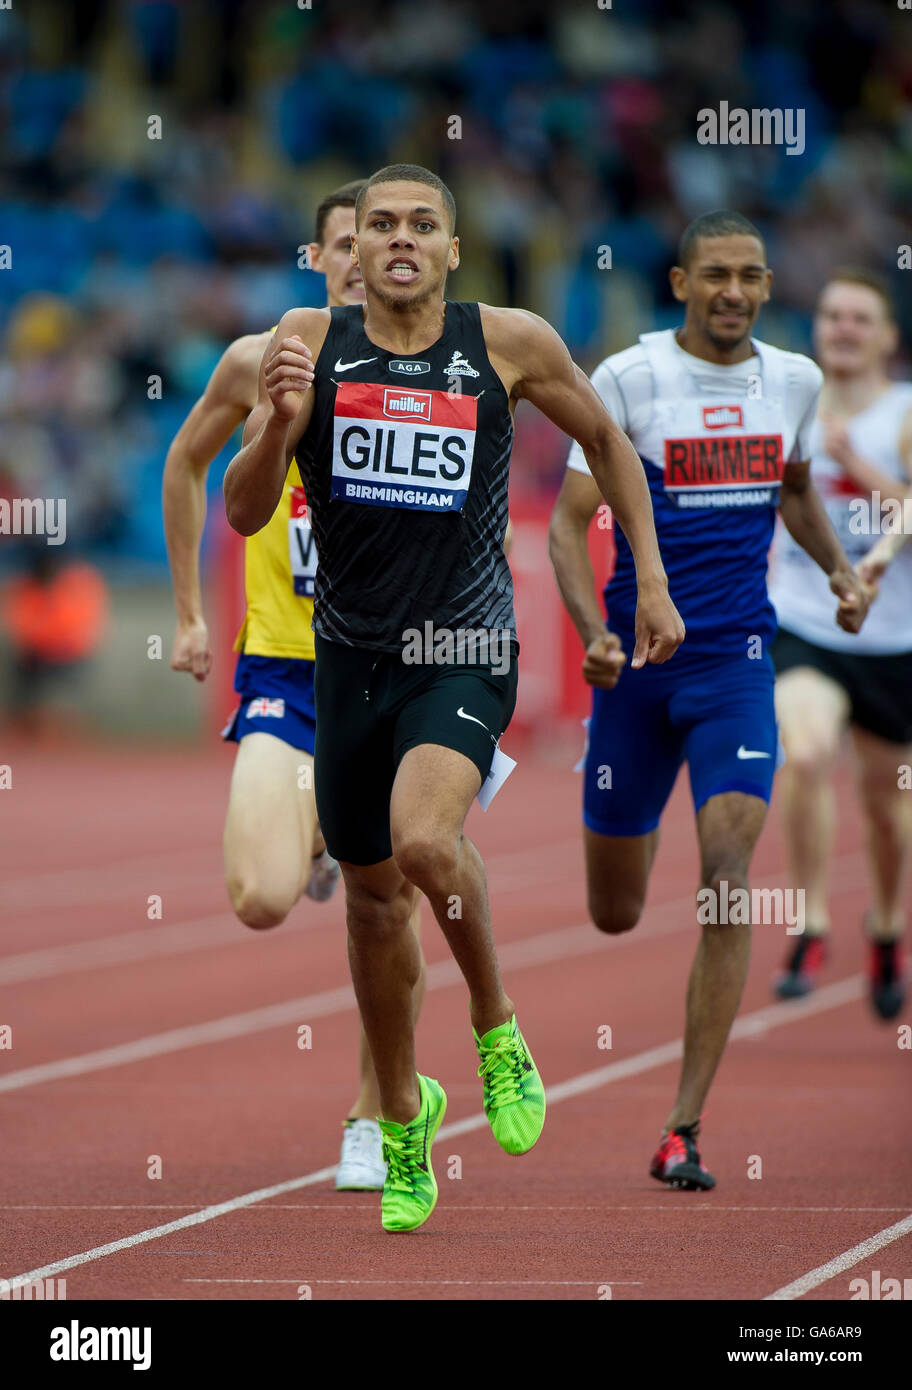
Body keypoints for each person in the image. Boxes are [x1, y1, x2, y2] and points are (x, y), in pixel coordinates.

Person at [224, 163, 683, 1231]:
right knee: (375, 907)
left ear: (452, 248)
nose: (397, 239)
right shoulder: (306, 340)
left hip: (465, 645)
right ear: (352, 249)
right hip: (350, 659)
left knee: (425, 844)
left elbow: (609, 441)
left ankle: (493, 1021)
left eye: (421, 224)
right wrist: (274, 423)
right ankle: (402, 1119)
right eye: (379, 223)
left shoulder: (507, 343)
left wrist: (646, 578)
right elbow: (247, 513)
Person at [548, 211, 869, 1191]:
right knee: (614, 908)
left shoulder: (795, 383)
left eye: (751, 277)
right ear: (682, 282)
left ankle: (683, 1125)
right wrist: (592, 636)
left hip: (735, 662)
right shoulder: (628, 379)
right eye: (715, 275)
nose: (734, 291)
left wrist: (843, 571)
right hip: (637, 674)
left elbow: (797, 491)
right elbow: (567, 529)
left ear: (769, 287)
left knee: (727, 865)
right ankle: (628, 825)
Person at [163, 180, 426, 1192]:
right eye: (346, 244)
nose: (365, 258)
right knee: (261, 896)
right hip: (286, 666)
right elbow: (186, 467)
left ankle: (377, 1112)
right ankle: (318, 826)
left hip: (403, 665)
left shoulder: (440, 366)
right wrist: (190, 611)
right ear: (320, 259)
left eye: (384, 239)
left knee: (390, 900)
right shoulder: (259, 357)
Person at [768, 269, 911, 1019]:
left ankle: (886, 926)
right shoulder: (791, 405)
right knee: (810, 751)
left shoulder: (903, 411)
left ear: (888, 336)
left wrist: (854, 464)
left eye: (861, 318)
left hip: (893, 641)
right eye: (832, 315)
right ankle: (811, 919)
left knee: (889, 810)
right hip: (806, 623)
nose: (844, 328)